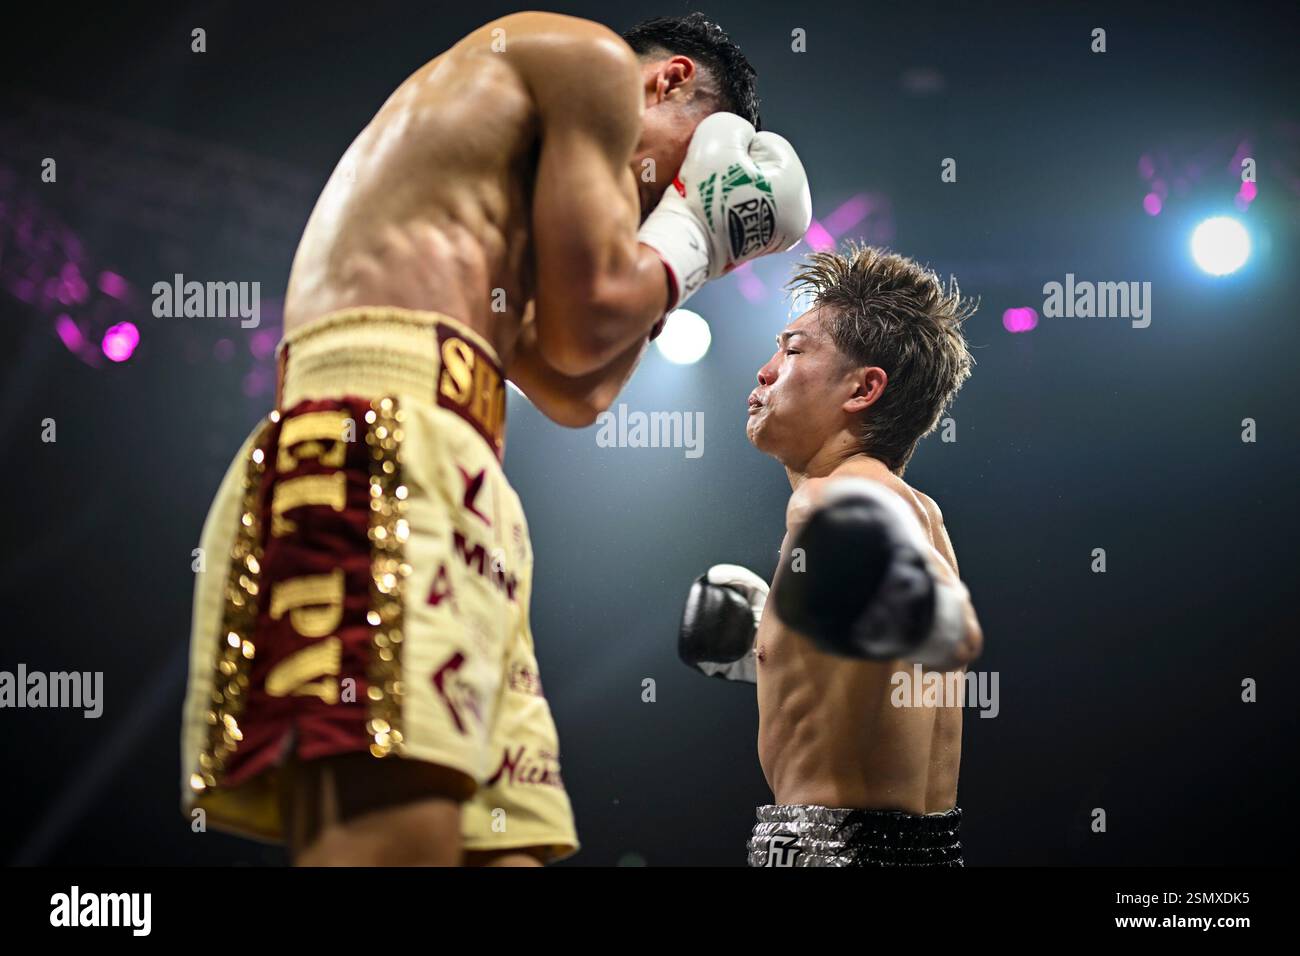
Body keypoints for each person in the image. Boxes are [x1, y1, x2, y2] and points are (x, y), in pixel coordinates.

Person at [182, 11, 810, 866]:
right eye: (676, 171)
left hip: (462, 463)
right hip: (375, 430)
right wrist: (693, 231)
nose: (654, 201)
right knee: (393, 833)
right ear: (669, 80)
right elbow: (593, 322)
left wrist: (691, 250)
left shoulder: (506, 214)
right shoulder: (583, 61)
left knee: (502, 845)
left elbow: (577, 389)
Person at [678, 243, 982, 866]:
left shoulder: (840, 495)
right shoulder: (924, 513)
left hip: (830, 853)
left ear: (864, 389)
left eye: (792, 350)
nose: (765, 372)